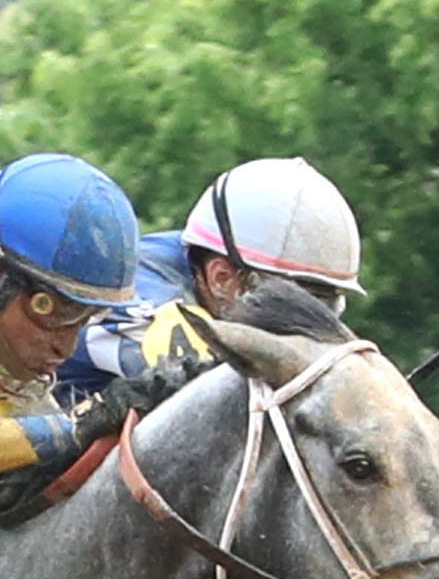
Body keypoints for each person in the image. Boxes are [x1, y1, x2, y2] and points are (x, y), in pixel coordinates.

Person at [58, 156, 367, 409]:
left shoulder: (203, 265)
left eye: (326, 305)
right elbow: (213, 401)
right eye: (292, 302)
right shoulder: (149, 301)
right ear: (222, 279)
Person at [0, 153, 155, 526]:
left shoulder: (25, 389)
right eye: (51, 310)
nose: (66, 347)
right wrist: (77, 425)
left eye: (85, 320)